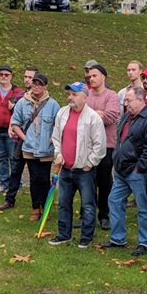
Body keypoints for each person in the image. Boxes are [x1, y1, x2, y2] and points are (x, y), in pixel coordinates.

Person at [101, 86, 147, 255]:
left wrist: (139, 168)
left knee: (143, 207)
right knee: (114, 200)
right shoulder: (128, 116)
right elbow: (121, 139)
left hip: (136, 172)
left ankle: (145, 243)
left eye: (129, 100)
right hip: (121, 170)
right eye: (125, 101)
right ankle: (118, 238)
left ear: (141, 100)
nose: (125, 104)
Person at [50, 81, 105, 248]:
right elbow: (56, 137)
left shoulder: (93, 118)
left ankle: (86, 237)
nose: (70, 97)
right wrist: (58, 154)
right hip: (65, 169)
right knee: (63, 203)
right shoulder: (62, 113)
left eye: (74, 95)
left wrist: (90, 163)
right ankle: (64, 234)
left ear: (84, 97)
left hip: (84, 170)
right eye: (69, 94)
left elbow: (100, 145)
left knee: (88, 204)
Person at [0, 72, 60, 219]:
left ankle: (44, 207)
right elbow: (15, 123)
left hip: (46, 149)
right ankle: (34, 207)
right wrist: (24, 137)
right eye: (35, 83)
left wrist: (53, 138)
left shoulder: (53, 104)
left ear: (45, 87)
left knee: (44, 178)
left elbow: (59, 124)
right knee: (33, 178)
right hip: (29, 148)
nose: (37, 87)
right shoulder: (22, 102)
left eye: (40, 84)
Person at [84, 62, 120, 230]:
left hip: (106, 145)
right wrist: (97, 114)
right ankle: (87, 215)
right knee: (86, 181)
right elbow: (78, 115)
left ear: (103, 77)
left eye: (94, 76)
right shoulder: (86, 95)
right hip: (86, 145)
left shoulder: (111, 95)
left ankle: (104, 215)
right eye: (89, 76)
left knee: (104, 181)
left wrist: (92, 115)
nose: (91, 79)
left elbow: (110, 116)